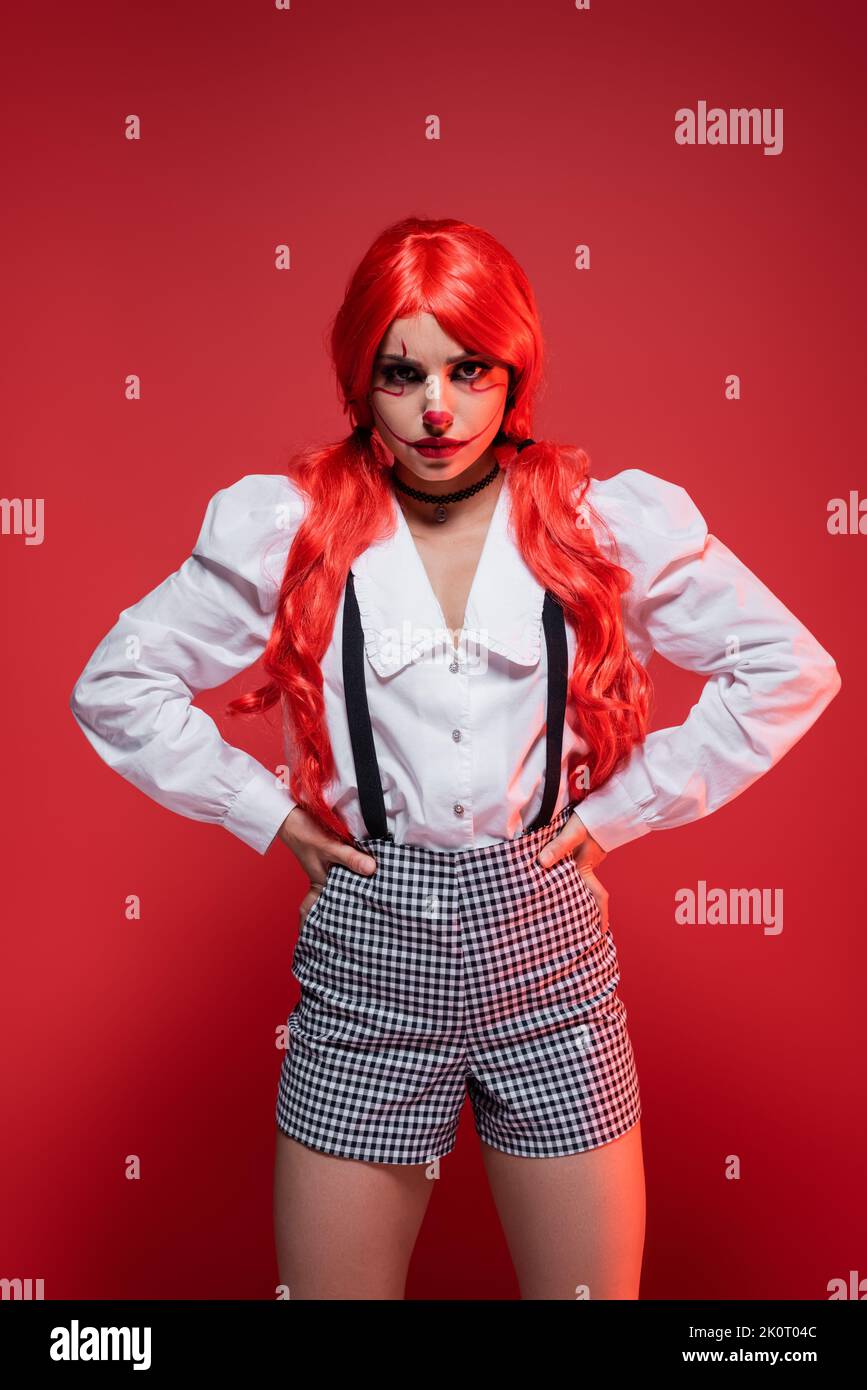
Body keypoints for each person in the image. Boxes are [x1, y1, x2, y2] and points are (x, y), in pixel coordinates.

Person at [69, 216, 841, 1301]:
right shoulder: (291, 527)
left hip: (549, 962)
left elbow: (787, 666)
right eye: (402, 372)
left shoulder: (594, 523)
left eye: (468, 368)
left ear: (513, 370)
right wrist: (268, 814)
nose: (437, 408)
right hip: (366, 962)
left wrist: (624, 811)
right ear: (360, 380)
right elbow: (116, 683)